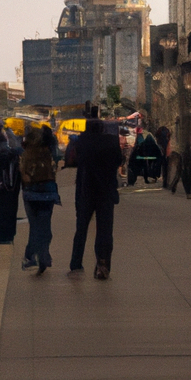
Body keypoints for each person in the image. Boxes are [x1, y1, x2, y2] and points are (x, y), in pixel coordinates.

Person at [69, 110, 122, 279]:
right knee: (105, 230)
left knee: (81, 228)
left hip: (87, 190)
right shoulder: (111, 142)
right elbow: (119, 160)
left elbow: (77, 162)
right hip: (106, 191)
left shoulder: (83, 141)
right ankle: (103, 265)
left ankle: (76, 263)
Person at [20, 125, 61, 274]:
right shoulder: (49, 151)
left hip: (31, 194)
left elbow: (22, 174)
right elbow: (57, 160)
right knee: (45, 226)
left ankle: (31, 256)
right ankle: (43, 254)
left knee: (35, 226)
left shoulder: (26, 153)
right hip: (48, 193)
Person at [0, 121, 22, 244]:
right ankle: (8, 235)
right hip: (12, 188)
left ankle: (4, 236)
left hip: (6, 187)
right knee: (11, 210)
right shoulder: (15, 155)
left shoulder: (5, 156)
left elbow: (1, 172)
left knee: (4, 211)